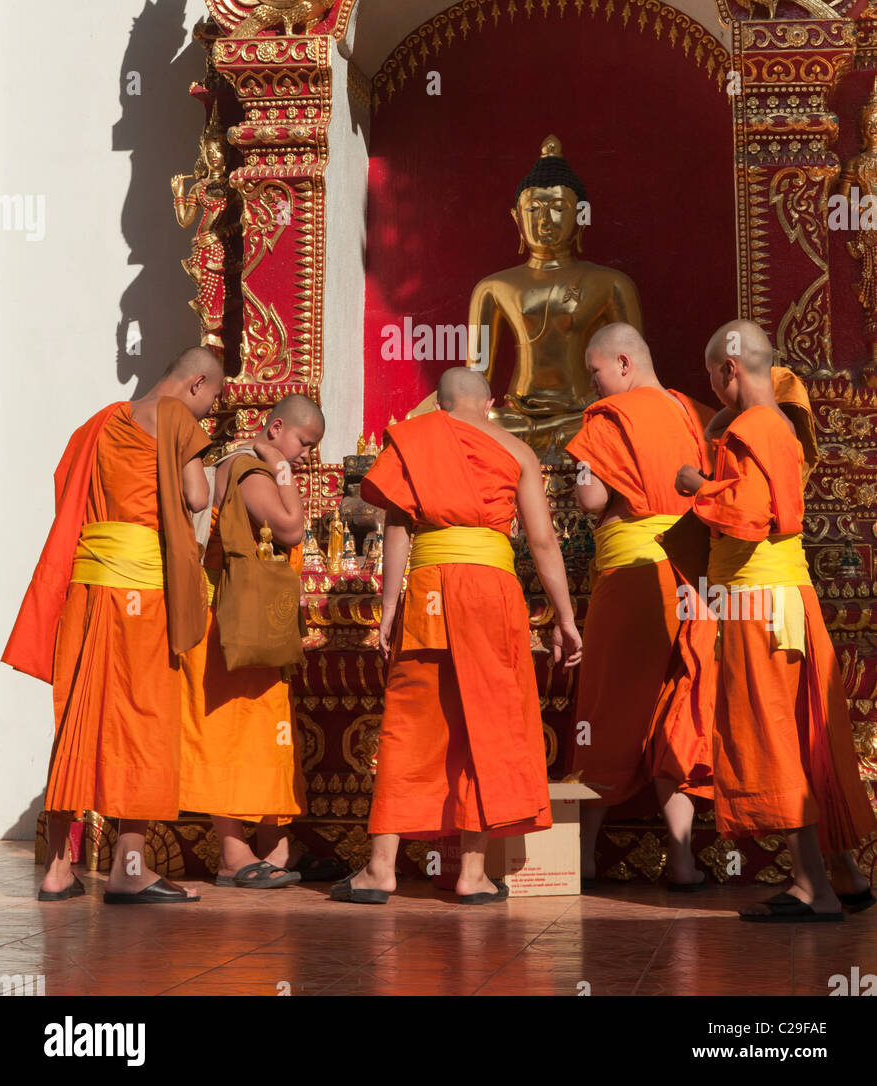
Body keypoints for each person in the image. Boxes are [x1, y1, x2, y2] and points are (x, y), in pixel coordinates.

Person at [330, 367, 582, 905]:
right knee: (486, 724)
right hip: (492, 592)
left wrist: (390, 607)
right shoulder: (517, 449)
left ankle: (380, 869)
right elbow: (541, 541)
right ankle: (472, 873)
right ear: (489, 404)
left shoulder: (417, 439)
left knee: (409, 723)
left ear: (439, 406)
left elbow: (397, 527)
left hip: (429, 592)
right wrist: (565, 617)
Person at [3, 347, 223, 904]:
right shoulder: (176, 418)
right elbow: (197, 496)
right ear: (196, 383)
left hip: (88, 590)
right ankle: (129, 868)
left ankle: (57, 869)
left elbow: (67, 487)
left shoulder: (102, 420)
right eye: (213, 400)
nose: (208, 412)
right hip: (142, 596)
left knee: (80, 718)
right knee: (143, 723)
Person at [676, 319, 875, 920]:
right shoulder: (777, 425)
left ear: (730, 369)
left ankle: (811, 887)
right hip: (786, 596)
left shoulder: (754, 427)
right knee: (798, 733)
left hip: (757, 602)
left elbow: (748, 514)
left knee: (769, 735)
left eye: (713, 374)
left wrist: (696, 485)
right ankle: (844, 874)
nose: (710, 387)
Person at [566, 323, 715, 889]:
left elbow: (591, 497)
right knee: (682, 708)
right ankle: (681, 860)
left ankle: (582, 853)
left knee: (607, 708)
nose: (593, 384)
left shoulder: (605, 419)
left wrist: (581, 456)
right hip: (695, 580)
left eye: (596, 372)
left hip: (632, 578)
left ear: (623, 363)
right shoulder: (693, 411)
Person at [179, 394, 328, 888]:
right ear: (276, 426)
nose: (305, 454)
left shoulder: (243, 464)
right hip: (230, 622)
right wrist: (281, 472)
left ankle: (270, 844)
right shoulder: (250, 470)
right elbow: (289, 527)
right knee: (232, 731)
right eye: (303, 443)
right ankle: (233, 852)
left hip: (237, 620)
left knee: (262, 729)